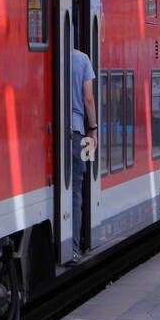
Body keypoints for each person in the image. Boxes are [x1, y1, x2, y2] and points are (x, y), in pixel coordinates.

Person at [71, 45, 97, 263]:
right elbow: (88, 98)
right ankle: (73, 247)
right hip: (77, 132)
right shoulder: (82, 59)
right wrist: (93, 129)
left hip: (51, 134)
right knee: (76, 189)